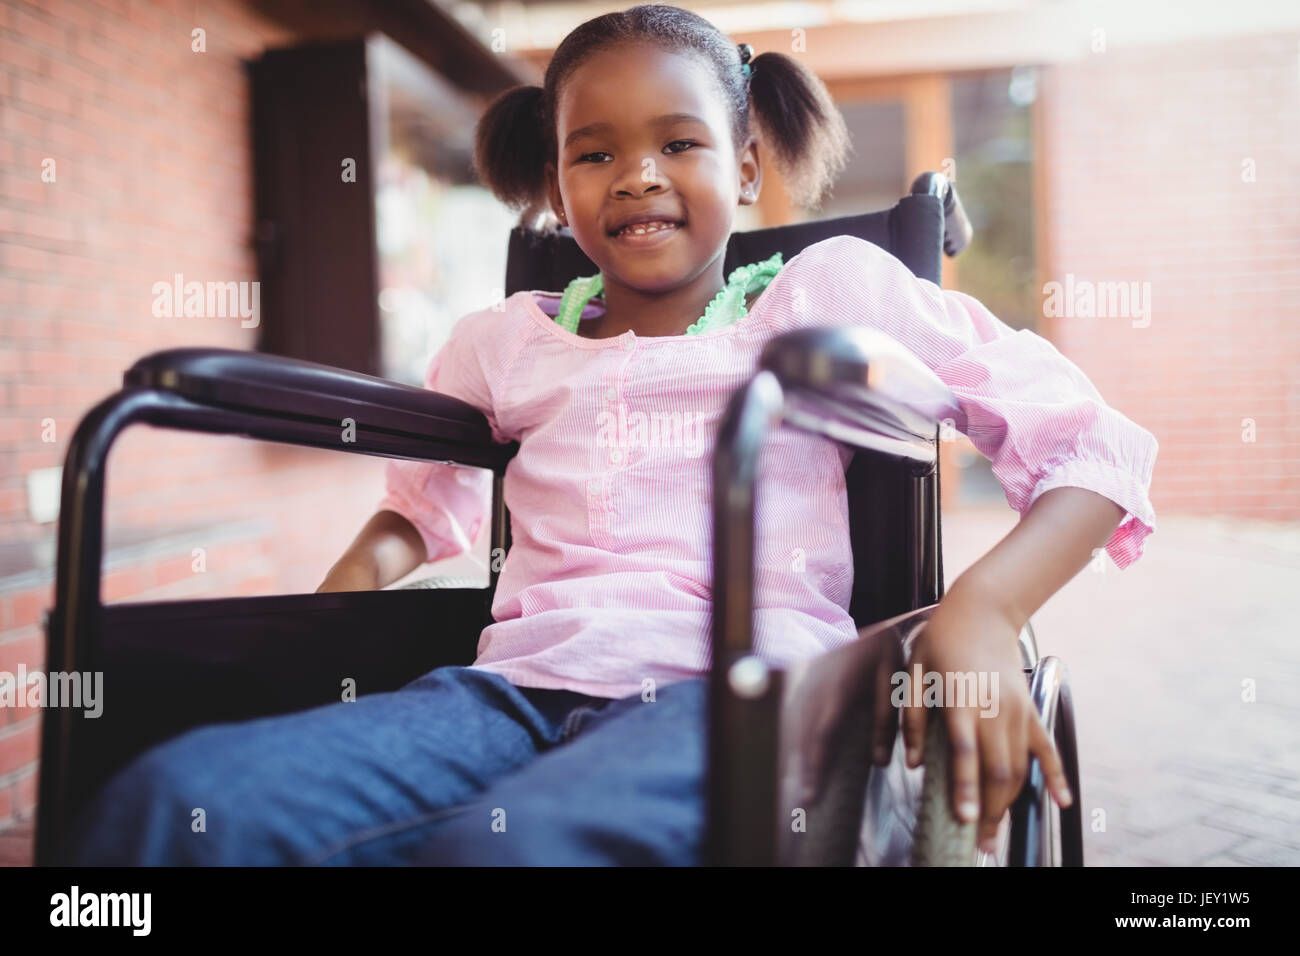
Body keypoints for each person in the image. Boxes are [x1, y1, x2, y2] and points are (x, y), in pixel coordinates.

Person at [63, 4, 1157, 866]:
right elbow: (418, 504)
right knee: (182, 804)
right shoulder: (506, 341)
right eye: (594, 154)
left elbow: (1090, 440)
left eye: (678, 142)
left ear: (741, 164)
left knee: (527, 847)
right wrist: (317, 630)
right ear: (555, 185)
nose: (635, 173)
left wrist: (982, 608)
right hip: (510, 692)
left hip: (740, 697)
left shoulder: (828, 294)